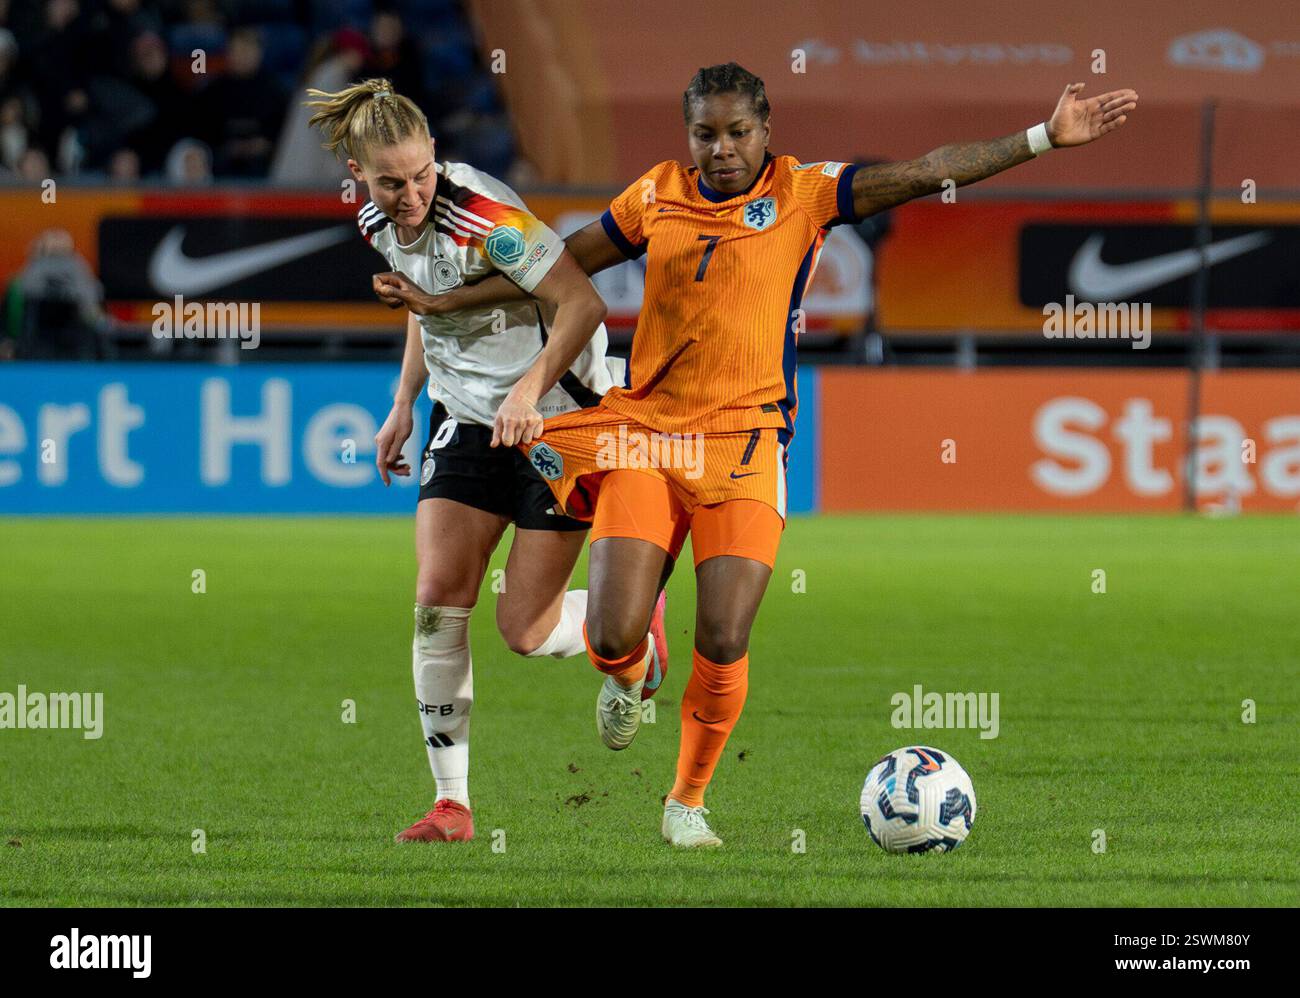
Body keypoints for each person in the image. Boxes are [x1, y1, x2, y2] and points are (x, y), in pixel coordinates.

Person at [442, 63, 1138, 848]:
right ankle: (631, 674)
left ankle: (686, 803)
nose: (723, 148)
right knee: (608, 635)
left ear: (766, 131)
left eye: (739, 132)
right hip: (646, 436)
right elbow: (559, 264)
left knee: (727, 636)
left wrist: (1043, 137)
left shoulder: (805, 193)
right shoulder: (654, 194)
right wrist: (446, 300)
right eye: (706, 133)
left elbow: (922, 174)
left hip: (745, 443)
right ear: (689, 137)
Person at [303, 78, 669, 844]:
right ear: (358, 173)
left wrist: (529, 391)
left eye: (420, 175)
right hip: (466, 419)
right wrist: (404, 401)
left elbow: (583, 304)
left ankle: (633, 642)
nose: (409, 195)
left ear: (437, 154)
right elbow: (421, 299)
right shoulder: (377, 218)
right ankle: (451, 805)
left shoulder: (485, 218)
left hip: (560, 420)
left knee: (524, 630)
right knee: (437, 597)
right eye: (389, 181)